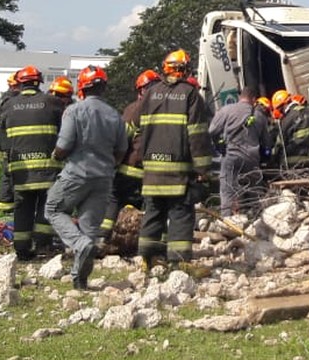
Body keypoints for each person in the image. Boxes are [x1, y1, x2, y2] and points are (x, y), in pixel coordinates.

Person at [44, 66, 127, 290]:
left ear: (81, 87)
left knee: (52, 208)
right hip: (104, 177)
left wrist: (56, 155)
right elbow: (121, 150)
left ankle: (79, 244)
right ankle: (80, 281)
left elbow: (63, 145)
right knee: (89, 227)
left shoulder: (73, 111)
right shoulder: (114, 115)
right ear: (104, 87)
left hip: (76, 173)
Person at [136, 49, 213, 268]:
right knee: (180, 213)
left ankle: (147, 258)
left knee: (153, 211)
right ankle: (178, 262)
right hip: (178, 171)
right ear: (185, 70)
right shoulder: (190, 94)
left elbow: (138, 128)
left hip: (151, 170)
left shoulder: (150, 93)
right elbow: (197, 134)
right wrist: (203, 169)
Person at [0, 65, 63, 260]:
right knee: (46, 206)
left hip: (21, 171)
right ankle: (43, 245)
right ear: (38, 82)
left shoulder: (8, 105)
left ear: (20, 83)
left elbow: (1, 140)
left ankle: (22, 249)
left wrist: (7, 166)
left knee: (23, 208)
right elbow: (64, 133)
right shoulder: (53, 103)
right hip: (47, 170)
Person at [98, 68, 159, 246]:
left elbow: (123, 138)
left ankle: (103, 237)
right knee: (149, 208)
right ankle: (144, 244)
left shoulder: (134, 109)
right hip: (154, 171)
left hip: (130, 169)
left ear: (140, 90)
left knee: (114, 198)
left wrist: (112, 162)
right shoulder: (165, 107)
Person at [208, 86, 267, 217]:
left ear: (240, 97)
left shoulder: (226, 110)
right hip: (252, 159)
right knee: (255, 190)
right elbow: (267, 143)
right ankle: (258, 217)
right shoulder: (259, 115)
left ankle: (227, 220)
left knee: (227, 189)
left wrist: (219, 145)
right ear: (254, 99)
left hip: (231, 156)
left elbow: (212, 131)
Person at [272, 90, 309, 169]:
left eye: (280, 109)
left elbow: (280, 145)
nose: (280, 113)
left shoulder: (287, 120)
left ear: (284, 105)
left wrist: (273, 158)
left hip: (295, 161)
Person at [0, 73, 21, 215]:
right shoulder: (11, 100)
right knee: (11, 174)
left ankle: (6, 205)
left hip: (5, 142)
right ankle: (8, 207)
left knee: (8, 174)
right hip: (10, 142)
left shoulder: (4, 99)